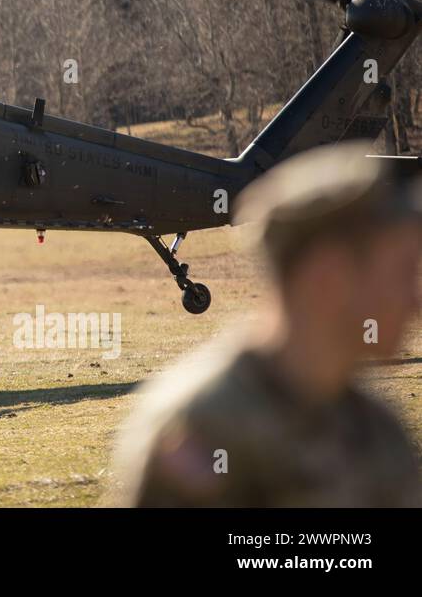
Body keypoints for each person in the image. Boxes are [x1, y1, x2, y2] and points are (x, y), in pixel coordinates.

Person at [112, 142, 422, 507]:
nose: (415, 300)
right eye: (402, 273)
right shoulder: (202, 427)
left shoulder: (378, 429)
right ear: (328, 277)